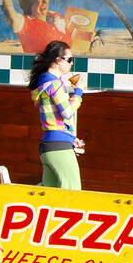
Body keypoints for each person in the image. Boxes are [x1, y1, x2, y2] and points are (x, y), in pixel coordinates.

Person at [28, 41, 84, 189]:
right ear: (58, 61)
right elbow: (67, 112)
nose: (72, 64)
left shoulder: (44, 82)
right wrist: (78, 92)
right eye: (70, 59)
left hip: (48, 145)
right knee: (72, 190)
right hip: (59, 145)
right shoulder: (55, 84)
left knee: (48, 192)